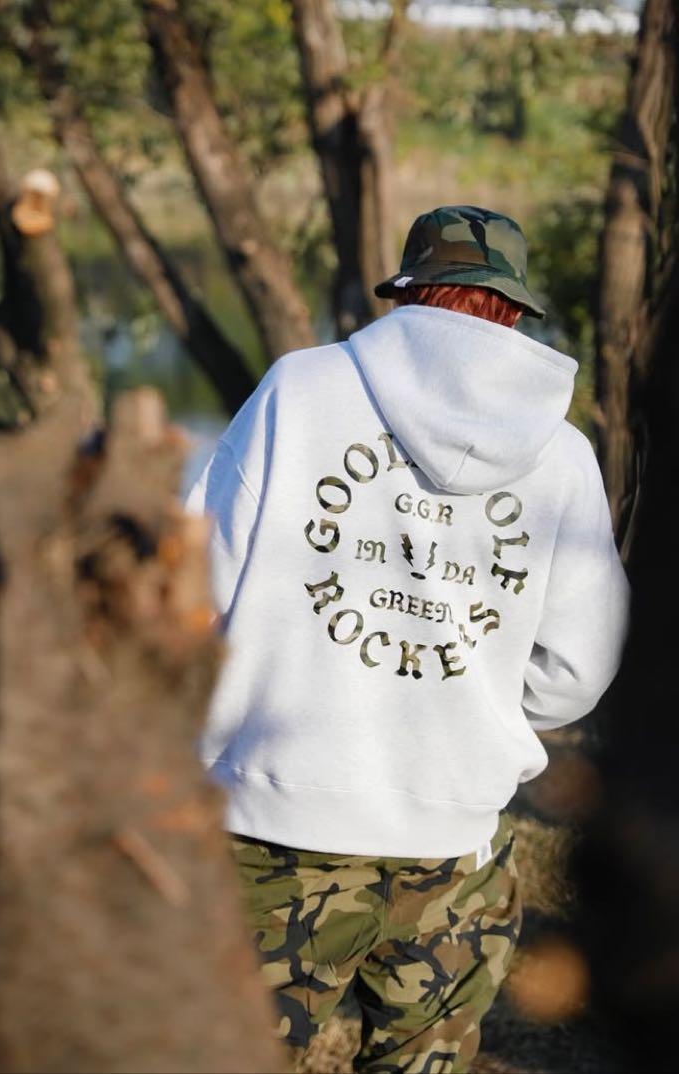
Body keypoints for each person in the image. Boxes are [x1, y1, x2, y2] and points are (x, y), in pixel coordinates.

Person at [186, 205, 629, 1072]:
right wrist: (479, 702)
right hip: (451, 847)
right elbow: (582, 666)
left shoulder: (297, 392)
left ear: (410, 291)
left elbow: (193, 592)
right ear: (510, 307)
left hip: (269, 831)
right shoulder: (562, 453)